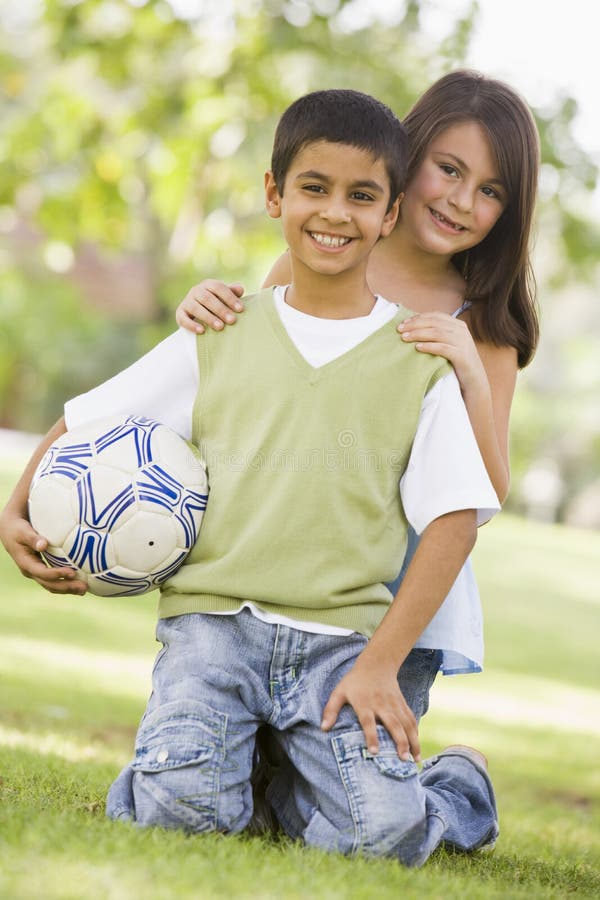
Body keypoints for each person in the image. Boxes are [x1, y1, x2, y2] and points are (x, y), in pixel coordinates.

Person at [0, 88, 500, 864]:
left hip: (341, 645)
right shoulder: (222, 329)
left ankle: (455, 787)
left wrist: (380, 666)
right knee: (181, 813)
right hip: (211, 632)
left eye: (362, 196)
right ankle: (218, 767)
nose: (336, 212)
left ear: (391, 213)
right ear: (274, 195)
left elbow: (457, 517)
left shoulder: (417, 362)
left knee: (381, 834)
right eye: (314, 188)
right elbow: (88, 416)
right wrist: (15, 509)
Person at [173, 69, 540, 719]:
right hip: (287, 589)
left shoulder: (485, 328)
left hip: (400, 612)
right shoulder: (319, 254)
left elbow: (488, 491)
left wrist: (473, 381)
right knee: (263, 796)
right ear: (407, 156)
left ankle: (456, 792)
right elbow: (253, 379)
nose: (461, 200)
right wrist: (206, 307)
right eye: (448, 170)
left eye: (490, 191)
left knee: (347, 797)